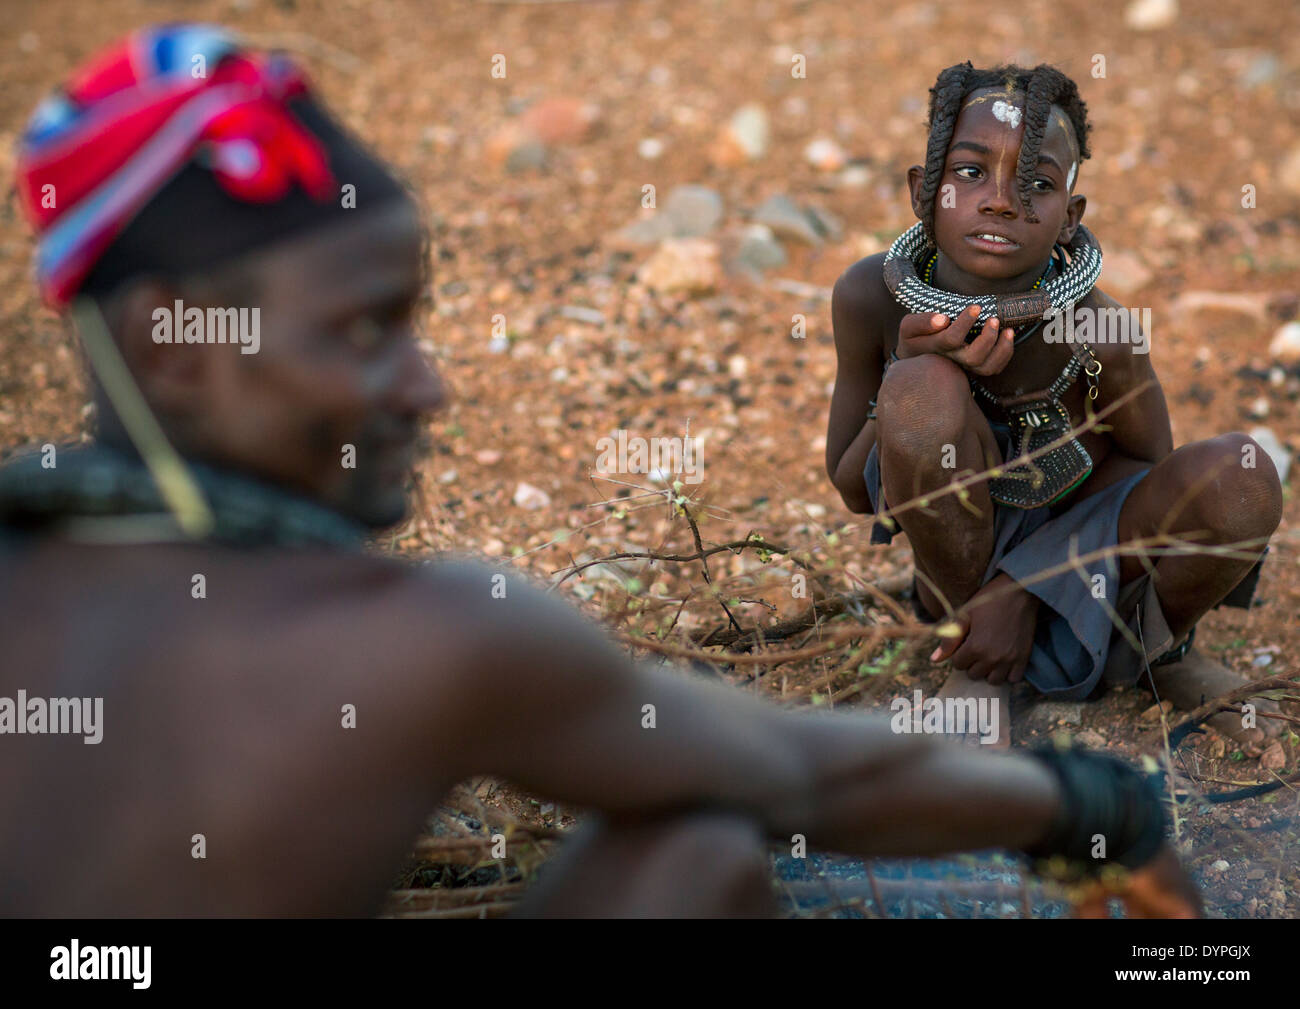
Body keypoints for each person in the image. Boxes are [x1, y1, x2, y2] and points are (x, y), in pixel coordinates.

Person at [1, 29, 1198, 917]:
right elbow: (792, 766)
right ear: (174, 344)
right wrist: (1092, 808)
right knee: (705, 848)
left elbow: (1143, 462)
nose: (427, 386)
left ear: (1069, 205)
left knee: (696, 857)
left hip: (1042, 582)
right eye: (364, 331)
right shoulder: (418, 640)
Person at [826, 62, 1283, 747]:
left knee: (1241, 477)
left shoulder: (1102, 332)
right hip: (954, 572)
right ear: (924, 191)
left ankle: (1158, 652)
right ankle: (978, 664)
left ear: (1070, 218)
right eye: (972, 173)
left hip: (1084, 571)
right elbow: (852, 486)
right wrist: (913, 364)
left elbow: (1147, 475)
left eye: (1037, 184)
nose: (1002, 201)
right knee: (922, 394)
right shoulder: (872, 298)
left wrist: (1021, 586)